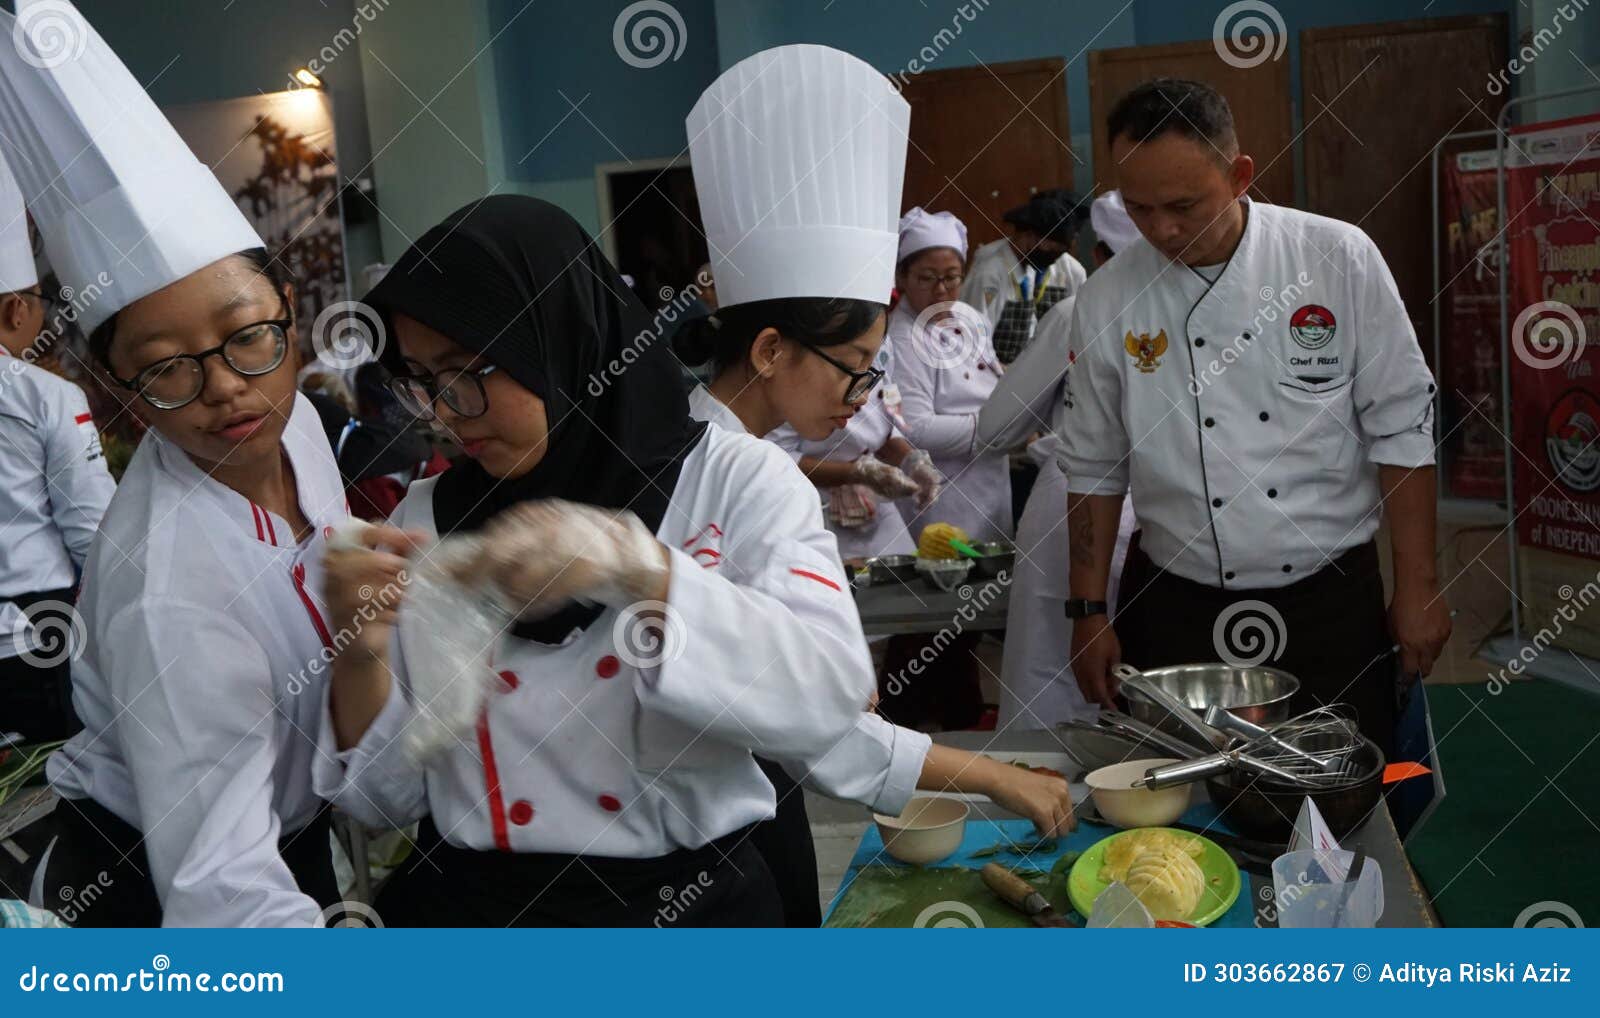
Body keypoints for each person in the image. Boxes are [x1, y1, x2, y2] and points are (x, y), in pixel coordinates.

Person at [313, 197, 872, 928]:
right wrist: (359, 653)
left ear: (560, 338)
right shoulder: (422, 520)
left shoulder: (737, 482)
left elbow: (826, 698)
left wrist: (641, 570)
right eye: (423, 380)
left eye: (466, 372)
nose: (444, 413)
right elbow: (383, 801)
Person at [1, 0, 346, 925]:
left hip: (292, 823)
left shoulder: (296, 421)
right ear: (113, 384)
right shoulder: (168, 589)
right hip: (154, 880)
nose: (227, 390)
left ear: (285, 306)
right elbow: (219, 896)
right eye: (164, 370)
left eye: (245, 338)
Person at [1059, 79, 1450, 755]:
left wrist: (1419, 587)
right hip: (1175, 602)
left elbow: (1403, 427)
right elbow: (1094, 463)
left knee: (1339, 798)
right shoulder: (1107, 299)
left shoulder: (1336, 259)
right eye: (1140, 209)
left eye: (1184, 206)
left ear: (1240, 175)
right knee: (1186, 801)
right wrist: (1088, 611)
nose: (1162, 230)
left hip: (1328, 598)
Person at [980, 190, 1139, 730]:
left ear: (1098, 255)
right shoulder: (1206, 312)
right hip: (1178, 516)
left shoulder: (1079, 310)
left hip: (1072, 506)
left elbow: (995, 428)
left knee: (1049, 676)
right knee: (1141, 694)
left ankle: (1044, 802)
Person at [0, 152, 113, 743]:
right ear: (15, 309)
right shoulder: (46, 394)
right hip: (35, 639)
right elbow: (93, 529)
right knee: (60, 799)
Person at [882, 207, 1010, 730]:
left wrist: (1012, 417)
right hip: (943, 492)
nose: (942, 289)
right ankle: (910, 716)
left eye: (952, 276)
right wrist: (994, 431)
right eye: (927, 278)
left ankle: (958, 712)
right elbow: (911, 427)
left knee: (970, 617)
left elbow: (994, 385)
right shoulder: (901, 337)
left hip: (990, 485)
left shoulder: (972, 319)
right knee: (931, 617)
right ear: (901, 280)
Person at [961, 188, 1090, 364]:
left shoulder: (1035, 268)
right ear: (1029, 235)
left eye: (1061, 251)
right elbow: (973, 340)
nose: (1054, 257)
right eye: (1051, 249)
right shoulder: (990, 274)